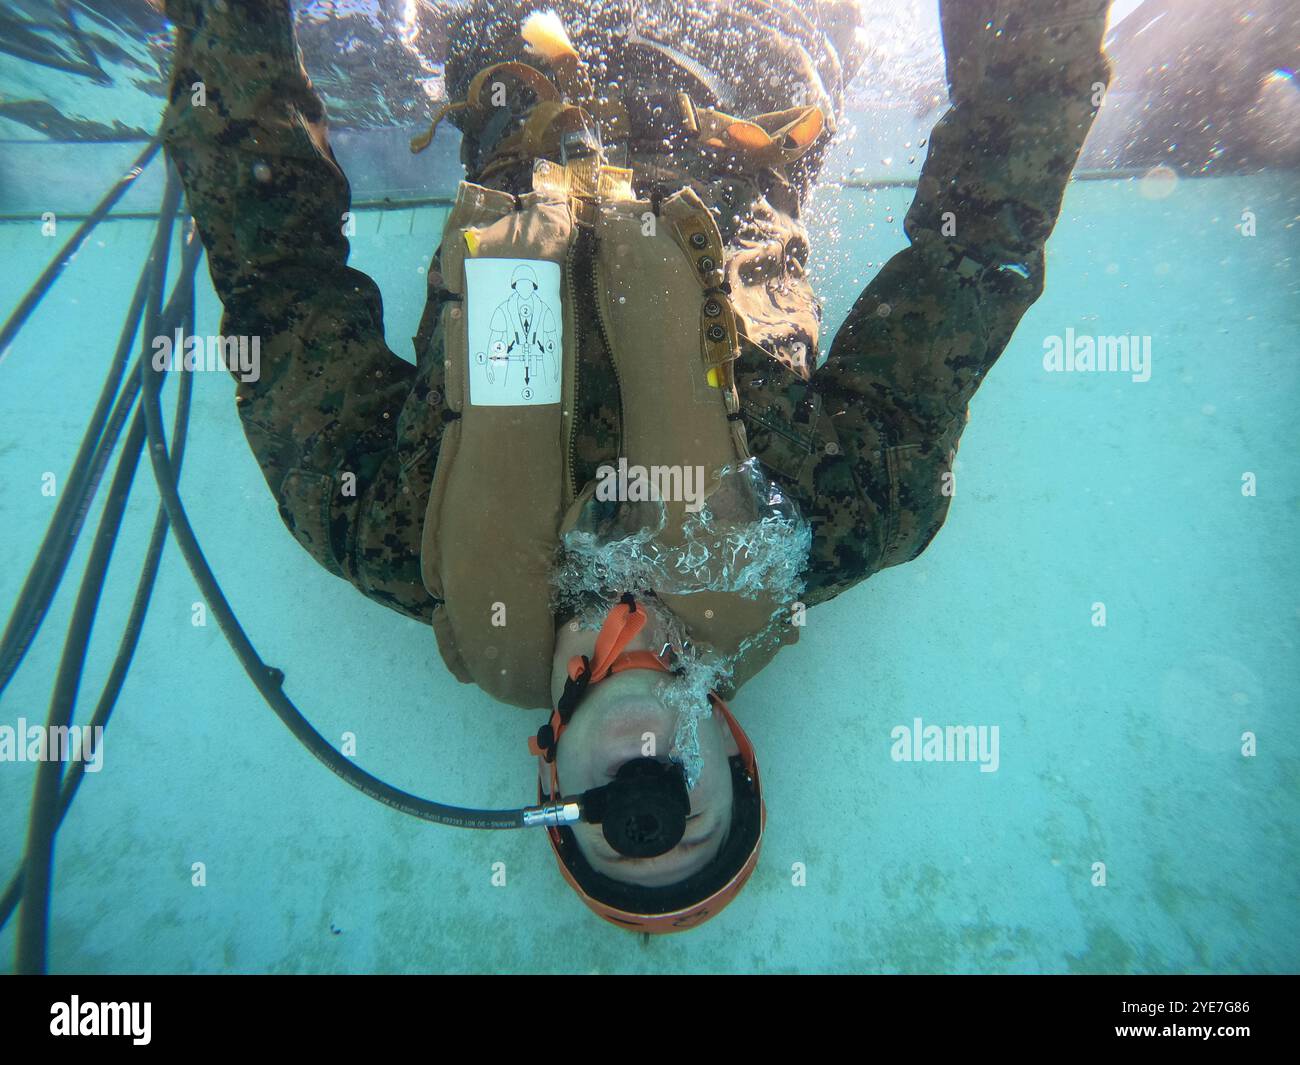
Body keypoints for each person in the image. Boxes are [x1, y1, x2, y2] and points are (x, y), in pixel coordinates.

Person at [160, 0, 1112, 932]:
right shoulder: (844, 511)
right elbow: (980, 249)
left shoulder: (391, 533)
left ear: (551, 783)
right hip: (766, 33)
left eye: (618, 841)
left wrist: (224, 23)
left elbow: (274, 270)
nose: (651, 815)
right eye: (696, 823)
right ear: (732, 748)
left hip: (512, 30)